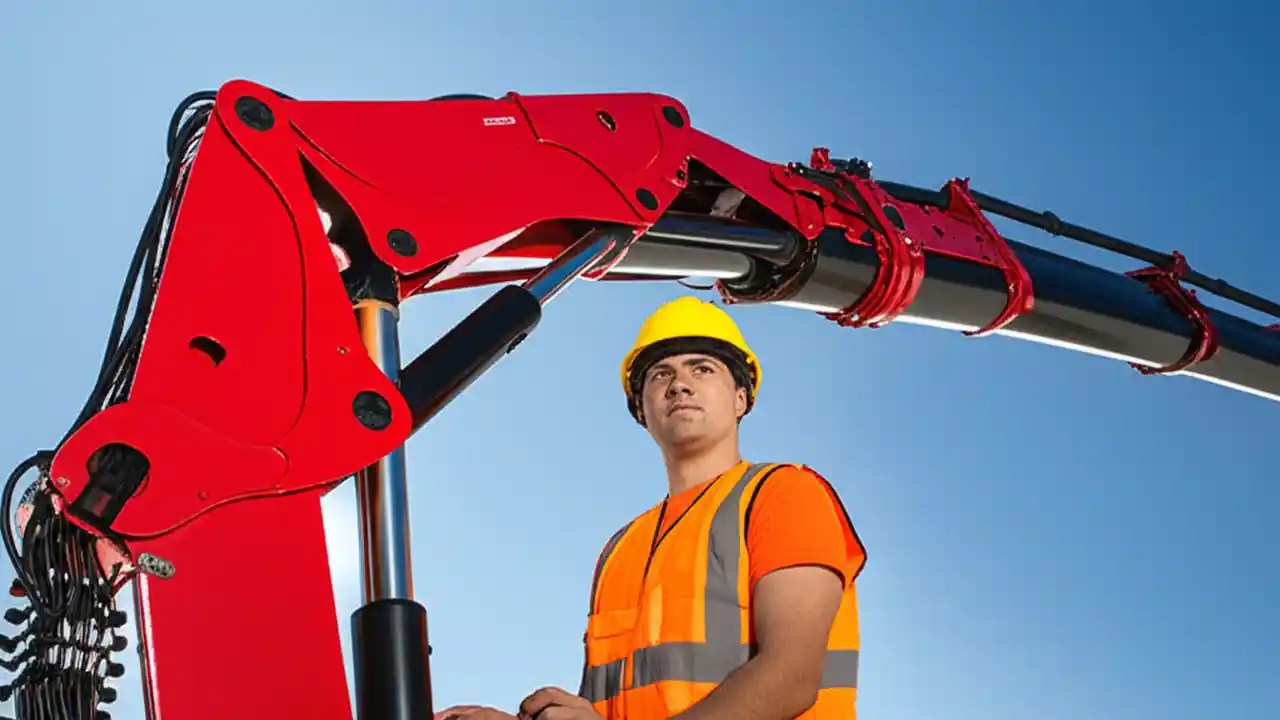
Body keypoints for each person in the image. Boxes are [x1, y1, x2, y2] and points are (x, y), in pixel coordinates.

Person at [437, 296, 866, 720]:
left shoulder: (782, 493)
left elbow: (790, 677)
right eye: (661, 375)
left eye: (702, 368)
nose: (679, 384)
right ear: (641, 410)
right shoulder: (620, 550)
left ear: (741, 397)